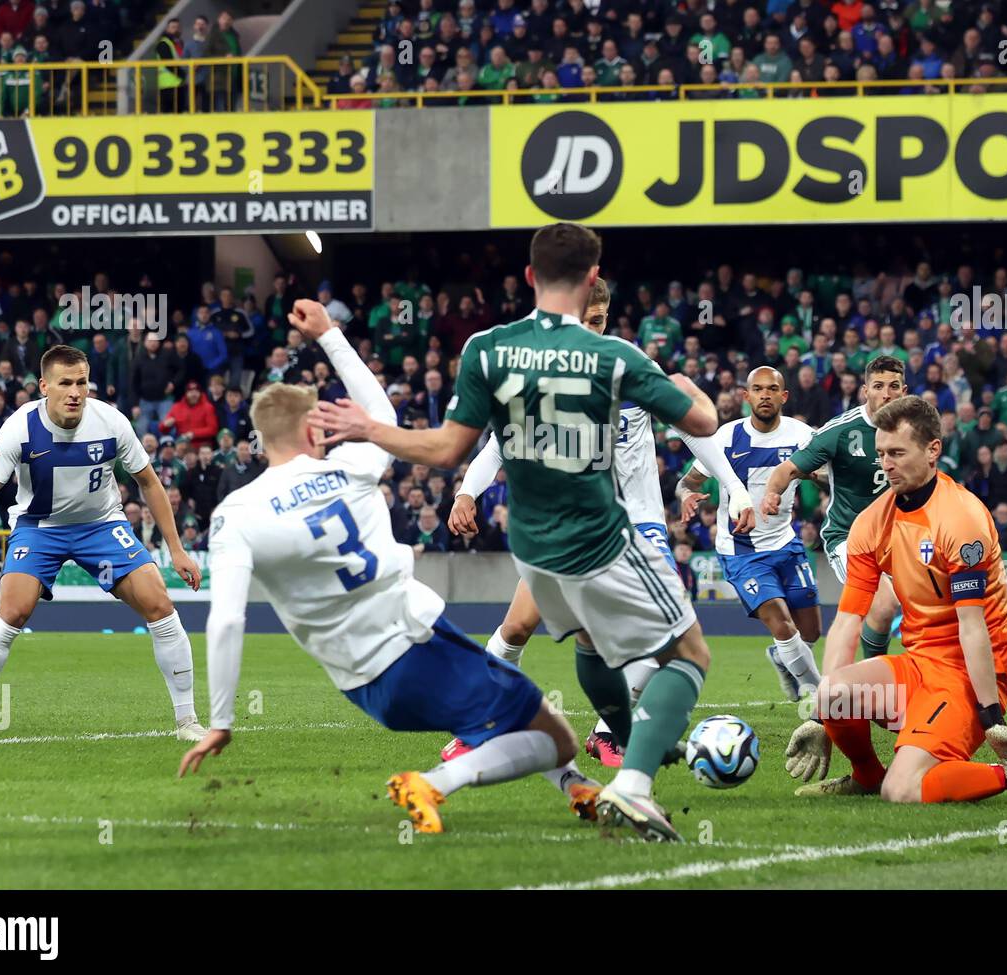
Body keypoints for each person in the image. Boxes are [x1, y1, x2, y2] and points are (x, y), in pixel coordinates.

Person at [307, 222, 720, 842]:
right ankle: (633, 785)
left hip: (531, 547)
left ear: (529, 277)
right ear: (590, 281)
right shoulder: (617, 356)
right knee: (689, 655)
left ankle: (630, 745)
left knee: (586, 643)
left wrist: (373, 430)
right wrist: (694, 393)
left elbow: (448, 449)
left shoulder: (487, 349)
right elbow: (702, 421)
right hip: (600, 540)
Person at [181, 300, 599, 834]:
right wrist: (331, 336)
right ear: (315, 429)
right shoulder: (353, 468)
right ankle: (434, 783)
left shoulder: (235, 513)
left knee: (509, 719)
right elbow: (382, 415)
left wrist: (220, 720)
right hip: (414, 643)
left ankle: (578, 788)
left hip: (363, 686)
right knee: (552, 734)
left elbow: (226, 621)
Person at [445, 278, 754, 767]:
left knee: (671, 637)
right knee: (519, 627)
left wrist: (735, 488)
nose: (592, 329)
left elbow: (694, 432)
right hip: (568, 525)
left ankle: (610, 732)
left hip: (637, 524)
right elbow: (499, 445)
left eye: (599, 321)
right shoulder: (540, 375)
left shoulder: (629, 365)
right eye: (583, 320)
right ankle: (479, 725)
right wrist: (467, 492)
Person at [785, 396, 1007, 807]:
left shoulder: (960, 518)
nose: (886, 464)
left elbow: (973, 626)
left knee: (906, 790)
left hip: (967, 675)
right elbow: (847, 622)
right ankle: (867, 777)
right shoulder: (871, 522)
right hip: (920, 665)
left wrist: (991, 718)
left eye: (897, 453)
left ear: (933, 450)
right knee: (835, 690)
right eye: (881, 454)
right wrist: (820, 713)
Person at [0, 346, 207, 742]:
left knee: (160, 605)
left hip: (101, 525)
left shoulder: (111, 421)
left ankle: (188, 721)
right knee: (12, 611)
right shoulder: (21, 426)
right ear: (45, 386)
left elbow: (148, 482)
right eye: (65, 383)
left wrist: (177, 549)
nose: (75, 392)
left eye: (82, 382)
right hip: (39, 527)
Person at [677, 366, 821, 702]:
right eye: (758, 389)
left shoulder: (802, 435)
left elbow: (827, 475)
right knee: (783, 625)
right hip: (741, 551)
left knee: (810, 631)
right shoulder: (725, 438)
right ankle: (819, 699)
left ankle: (780, 656)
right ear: (746, 397)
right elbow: (687, 480)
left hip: (786, 542)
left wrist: (817, 476)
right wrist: (686, 495)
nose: (765, 395)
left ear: (784, 396)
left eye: (772, 389)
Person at [759, 355, 907, 660]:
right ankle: (874, 684)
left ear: (903, 391)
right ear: (865, 391)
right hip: (850, 536)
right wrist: (772, 493)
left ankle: (927, 679)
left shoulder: (914, 429)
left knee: (926, 606)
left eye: (893, 386)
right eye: (878, 386)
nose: (886, 394)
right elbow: (787, 470)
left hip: (901, 536)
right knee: (883, 605)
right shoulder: (841, 431)